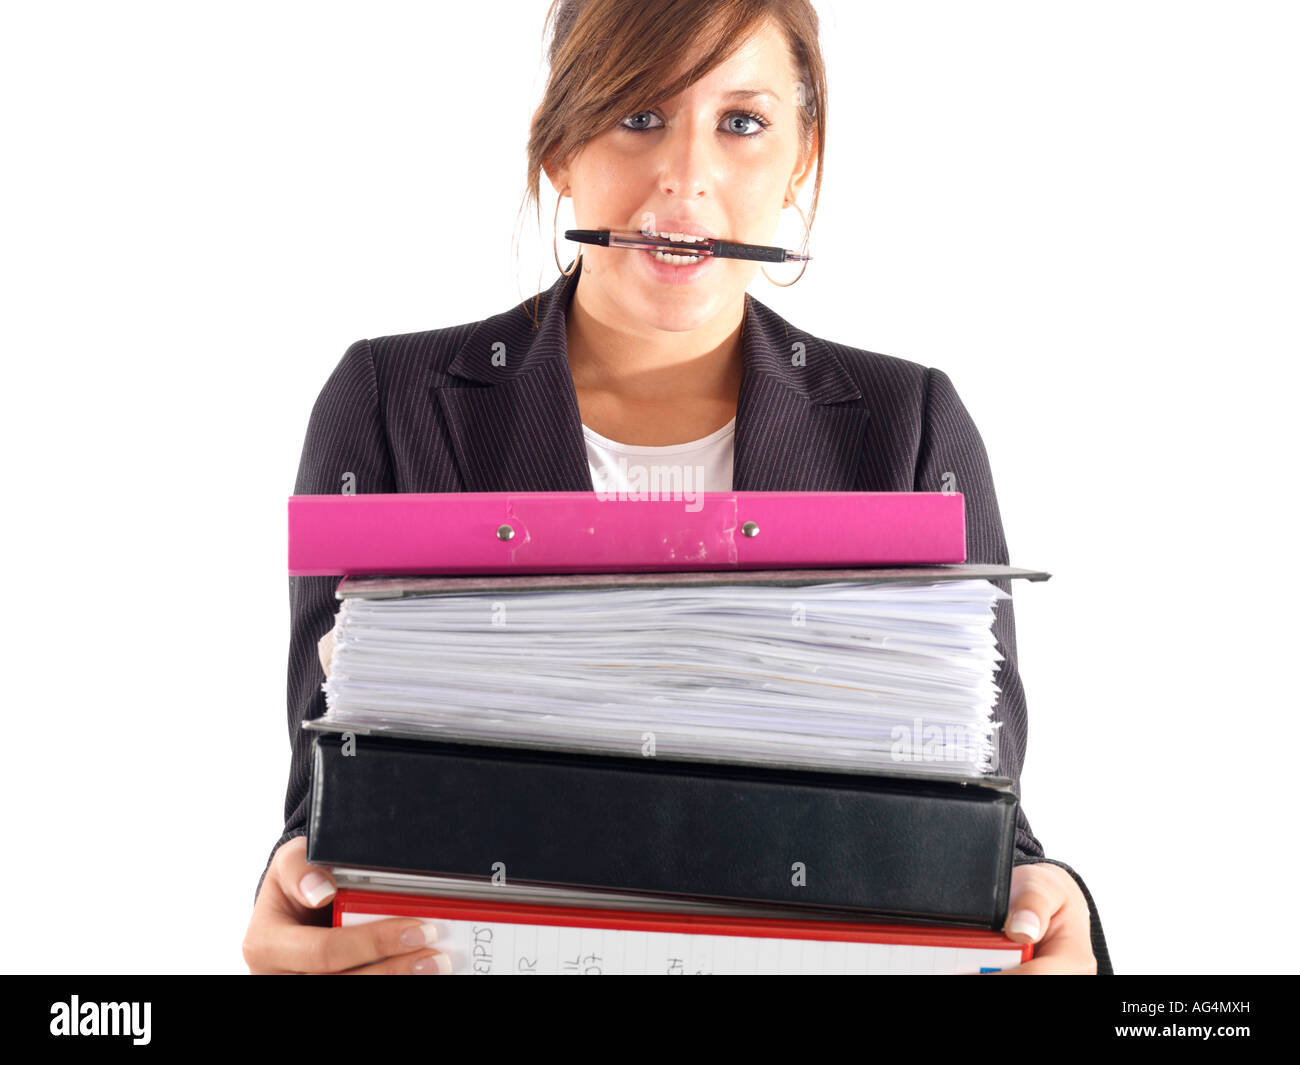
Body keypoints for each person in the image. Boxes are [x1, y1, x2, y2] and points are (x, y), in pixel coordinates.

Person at [243, 0, 1110, 975]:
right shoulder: (383, 401)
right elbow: (327, 800)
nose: (684, 176)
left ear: (802, 162)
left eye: (742, 123)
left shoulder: (911, 422)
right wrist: (300, 913)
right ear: (560, 150)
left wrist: (1051, 906)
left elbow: (978, 814)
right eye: (637, 115)